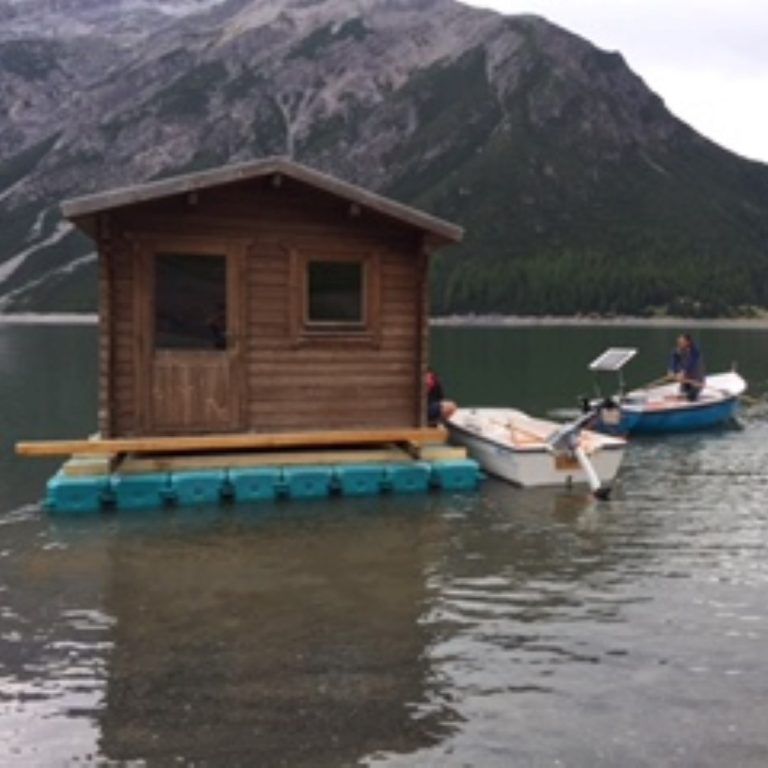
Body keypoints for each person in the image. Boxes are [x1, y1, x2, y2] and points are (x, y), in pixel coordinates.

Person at [667, 333, 705, 401]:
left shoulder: (695, 352)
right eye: (678, 342)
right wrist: (672, 370)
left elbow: (691, 364)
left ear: (688, 342)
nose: (679, 344)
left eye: (681, 342)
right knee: (682, 395)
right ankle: (683, 391)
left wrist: (683, 372)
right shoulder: (677, 351)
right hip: (685, 380)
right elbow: (673, 361)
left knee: (691, 397)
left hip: (696, 380)